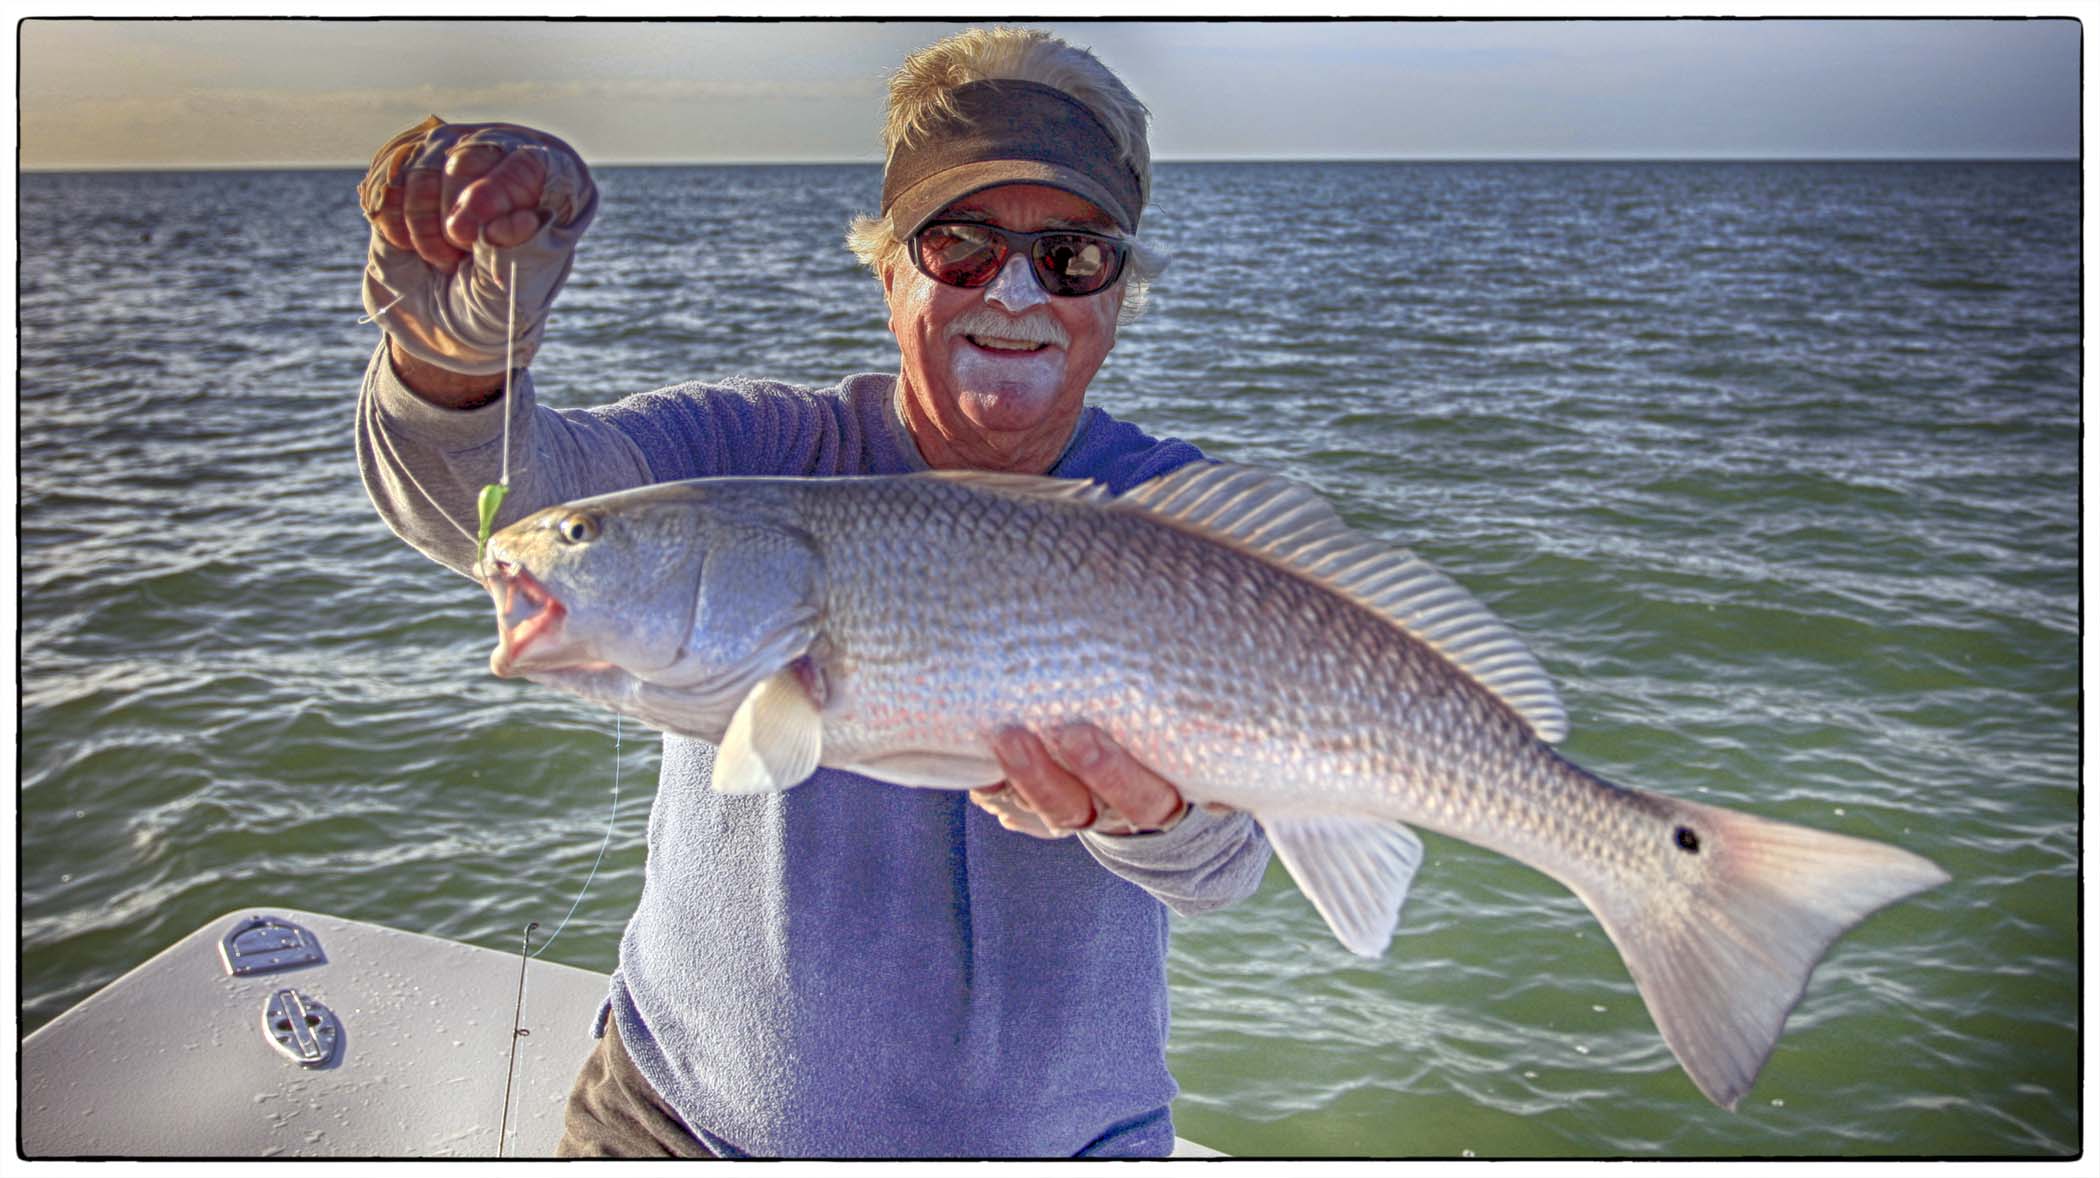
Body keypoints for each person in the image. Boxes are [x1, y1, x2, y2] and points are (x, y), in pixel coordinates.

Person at [353, 26, 1271, 1158]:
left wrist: (1157, 811)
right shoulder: (750, 455)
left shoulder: (1182, 519)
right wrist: (456, 367)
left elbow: (1225, 865)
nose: (1018, 291)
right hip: (680, 1129)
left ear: (1122, 293)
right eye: (962, 245)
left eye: (1073, 255)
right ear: (888, 266)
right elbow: (494, 511)